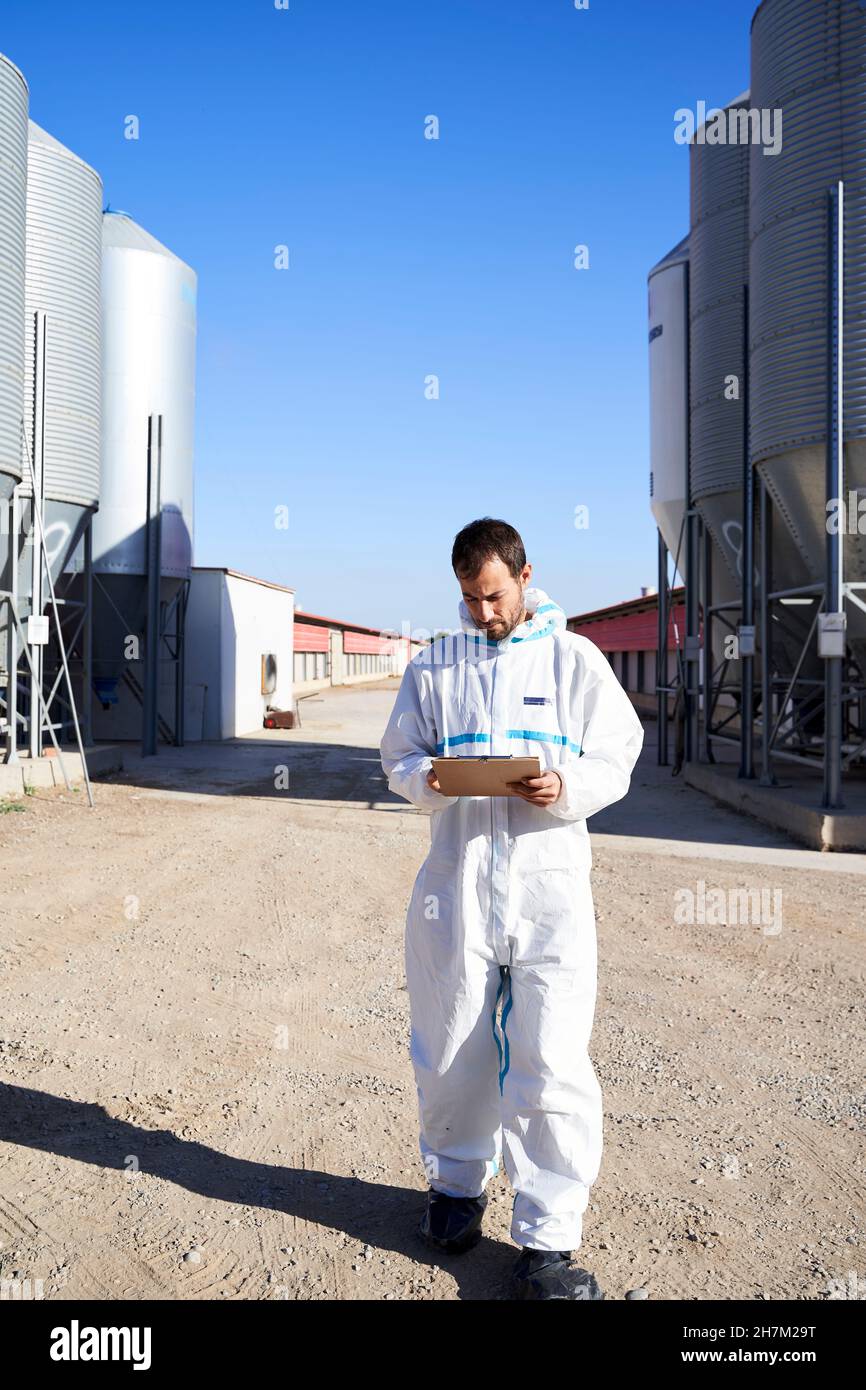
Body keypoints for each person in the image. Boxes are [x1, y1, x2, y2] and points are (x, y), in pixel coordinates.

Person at [379, 517, 644, 1300]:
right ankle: (456, 1192)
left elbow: (618, 753)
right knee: (452, 1043)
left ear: (526, 576)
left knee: (551, 1058)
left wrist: (566, 787)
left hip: (549, 889)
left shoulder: (574, 660)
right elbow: (397, 755)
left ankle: (548, 1242)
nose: (483, 612)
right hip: (455, 890)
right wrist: (426, 778)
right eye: (469, 598)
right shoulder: (436, 667)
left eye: (493, 595)